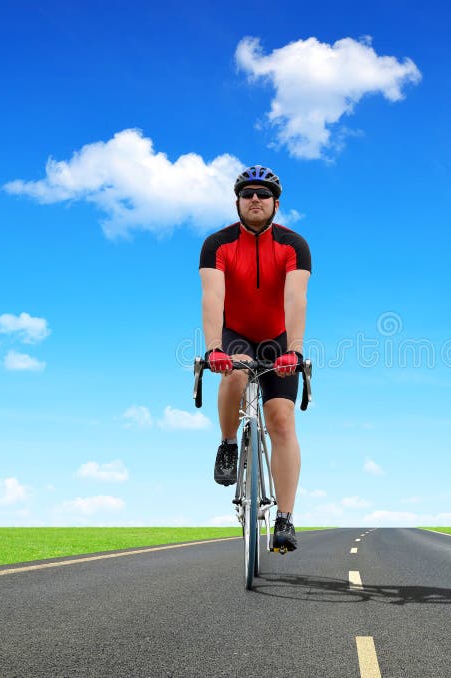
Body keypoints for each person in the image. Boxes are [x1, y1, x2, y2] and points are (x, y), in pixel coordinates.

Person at [199, 165, 311, 552]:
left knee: (281, 421)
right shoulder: (217, 244)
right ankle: (229, 443)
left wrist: (294, 350)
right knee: (234, 372)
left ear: (276, 203)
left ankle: (285, 518)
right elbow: (212, 296)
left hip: (278, 340)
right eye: (248, 194)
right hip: (235, 335)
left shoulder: (294, 245)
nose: (255, 200)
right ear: (237, 202)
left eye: (263, 194)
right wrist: (215, 346)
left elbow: (296, 298)